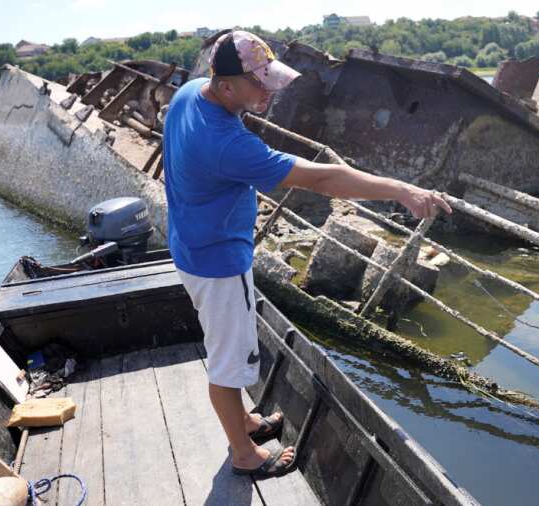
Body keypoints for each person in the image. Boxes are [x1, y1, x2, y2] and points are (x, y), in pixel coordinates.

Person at [162, 30, 451, 479]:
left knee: (227, 348)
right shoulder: (226, 144)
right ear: (226, 86)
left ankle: (245, 423)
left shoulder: (190, 94)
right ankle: (243, 453)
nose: (270, 92)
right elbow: (322, 179)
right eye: (259, 83)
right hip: (218, 262)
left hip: (191, 243)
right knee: (227, 364)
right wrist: (401, 189)